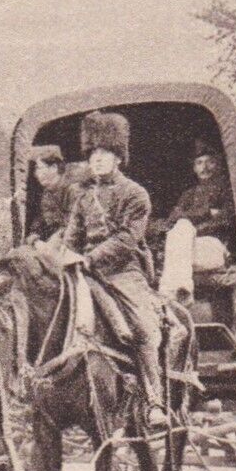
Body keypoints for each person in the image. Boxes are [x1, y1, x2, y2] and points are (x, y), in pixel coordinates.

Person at [63, 110, 168, 427]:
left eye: (104, 153)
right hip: (85, 272)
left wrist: (90, 259)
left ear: (118, 157)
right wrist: (66, 257)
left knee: (141, 327)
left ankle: (154, 401)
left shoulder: (135, 194)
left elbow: (126, 239)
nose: (96, 159)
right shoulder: (82, 197)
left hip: (124, 272)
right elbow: (73, 236)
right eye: (92, 154)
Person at [158, 137, 235, 239]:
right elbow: (174, 217)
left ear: (218, 165)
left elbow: (225, 219)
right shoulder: (189, 194)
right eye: (199, 163)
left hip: (214, 241)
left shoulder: (227, 190)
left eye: (210, 162)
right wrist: (207, 213)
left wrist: (194, 231)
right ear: (194, 168)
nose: (205, 167)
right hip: (187, 238)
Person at [28, 144, 85, 242]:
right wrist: (34, 233)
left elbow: (75, 225)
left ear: (54, 167)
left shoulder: (72, 189)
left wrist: (56, 239)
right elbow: (42, 218)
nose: (36, 174)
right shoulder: (48, 191)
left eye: (39, 168)